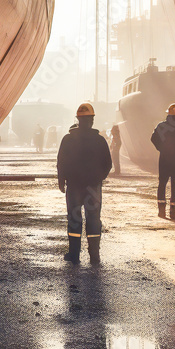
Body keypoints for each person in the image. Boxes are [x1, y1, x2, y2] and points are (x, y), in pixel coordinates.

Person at [57, 103, 113, 265]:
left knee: (74, 218)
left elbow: (61, 162)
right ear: (92, 120)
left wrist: (62, 180)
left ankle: (74, 254)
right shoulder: (100, 140)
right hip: (93, 187)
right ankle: (94, 256)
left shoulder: (68, 139)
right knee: (94, 218)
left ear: (78, 120)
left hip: (74, 186)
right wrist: (98, 179)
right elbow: (108, 163)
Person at [151, 103, 175, 220]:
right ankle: (174, 212)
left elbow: (153, 138)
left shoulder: (161, 126)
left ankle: (161, 211)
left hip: (164, 160)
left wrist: (161, 148)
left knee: (162, 184)